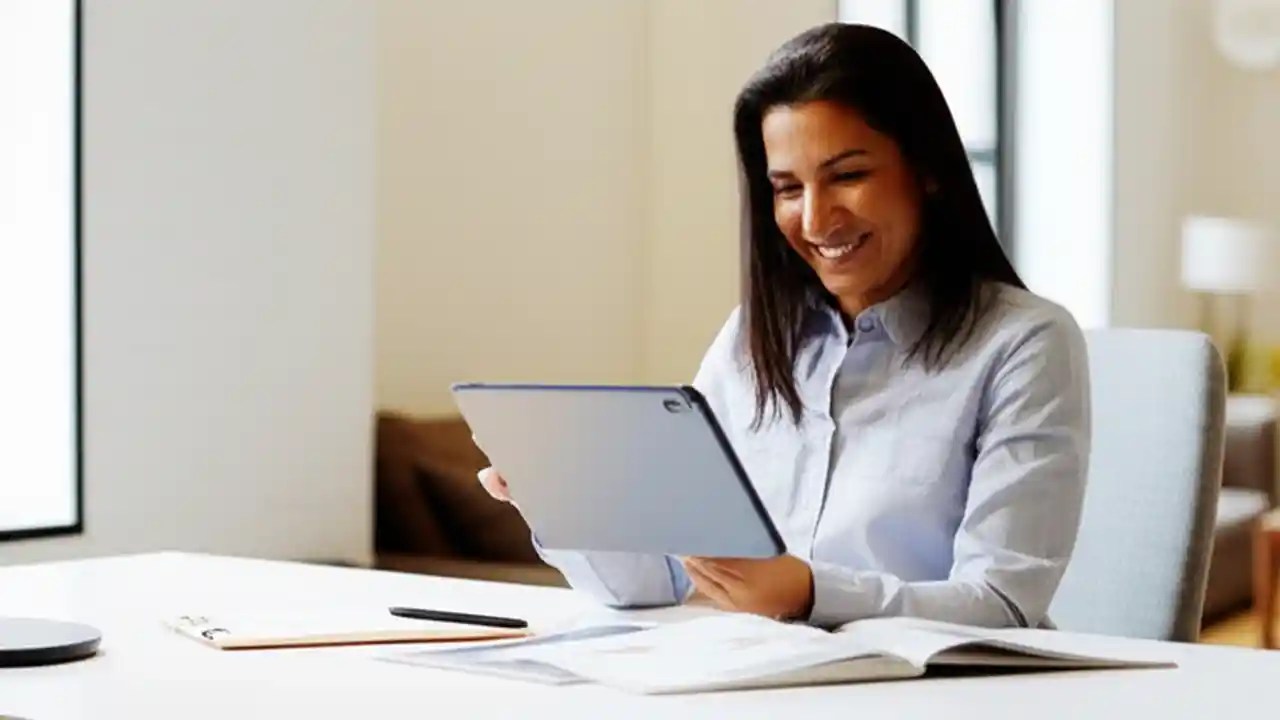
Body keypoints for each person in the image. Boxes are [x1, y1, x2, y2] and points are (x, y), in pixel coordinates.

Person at [477, 22, 1090, 630]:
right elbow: (660, 580)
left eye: (848, 176)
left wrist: (809, 592)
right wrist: (562, 503)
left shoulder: (1024, 344)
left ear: (926, 170)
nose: (817, 219)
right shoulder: (753, 337)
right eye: (788, 188)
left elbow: (1003, 604)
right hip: (767, 681)